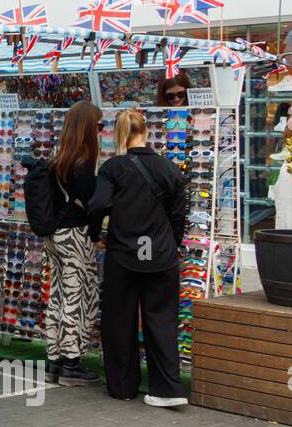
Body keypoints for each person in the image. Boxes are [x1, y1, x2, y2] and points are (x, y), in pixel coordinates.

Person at [87, 108, 189, 407]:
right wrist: (172, 243)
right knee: (162, 320)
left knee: (119, 321)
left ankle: (122, 385)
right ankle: (168, 389)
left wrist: (96, 234)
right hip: (162, 255)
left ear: (120, 134)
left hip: (124, 253)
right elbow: (178, 215)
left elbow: (97, 205)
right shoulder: (170, 169)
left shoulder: (113, 168)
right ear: (147, 132)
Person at [39, 100, 103, 387]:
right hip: (75, 235)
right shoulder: (81, 163)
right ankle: (71, 361)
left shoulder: (58, 158)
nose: (101, 132)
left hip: (55, 234)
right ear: (88, 128)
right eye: (98, 126)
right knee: (77, 296)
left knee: (58, 293)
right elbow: (94, 203)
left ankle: (54, 357)